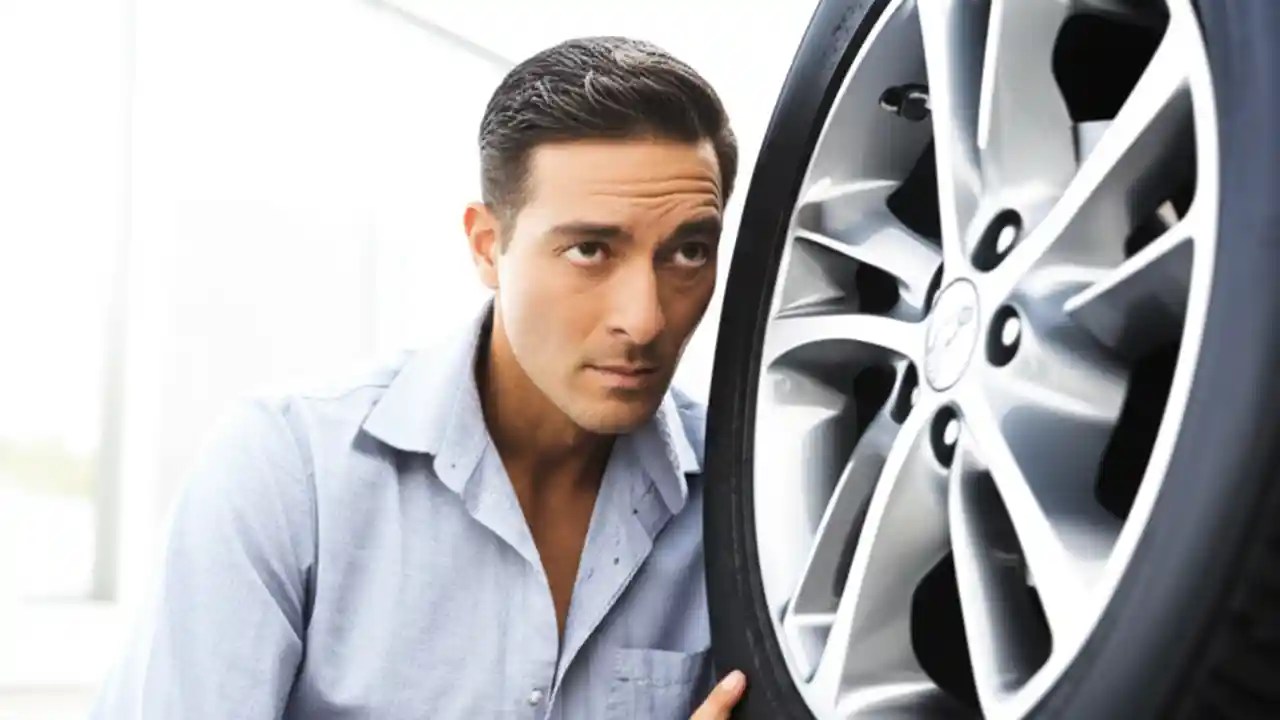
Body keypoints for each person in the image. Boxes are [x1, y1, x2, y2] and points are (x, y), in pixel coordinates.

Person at [89, 35, 748, 719]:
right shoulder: (288, 471)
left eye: (688, 253)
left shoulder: (750, 502)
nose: (643, 321)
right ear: (487, 246)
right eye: (590, 249)